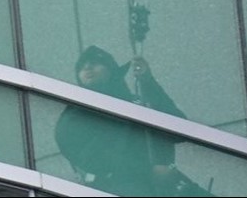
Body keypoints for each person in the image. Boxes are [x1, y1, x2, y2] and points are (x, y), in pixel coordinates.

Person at [56, 46, 210, 196]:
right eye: (81, 66)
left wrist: (147, 81)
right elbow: (89, 156)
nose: (87, 67)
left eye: (95, 62)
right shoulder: (77, 113)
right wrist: (147, 170)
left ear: (111, 71)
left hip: (164, 185)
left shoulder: (137, 105)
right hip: (116, 186)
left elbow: (177, 129)